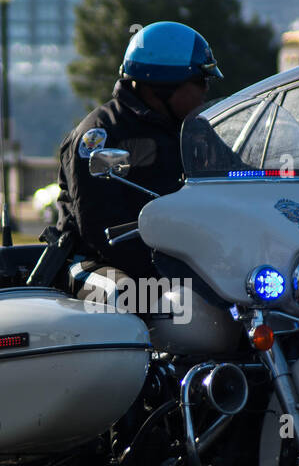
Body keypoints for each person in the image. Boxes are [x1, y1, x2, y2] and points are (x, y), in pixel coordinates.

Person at [56, 21, 221, 279]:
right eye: (200, 81)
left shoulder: (195, 132)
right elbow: (100, 228)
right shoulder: (102, 135)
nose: (206, 91)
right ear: (164, 85)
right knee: (127, 295)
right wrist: (167, 275)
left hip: (184, 259)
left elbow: (232, 177)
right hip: (101, 264)